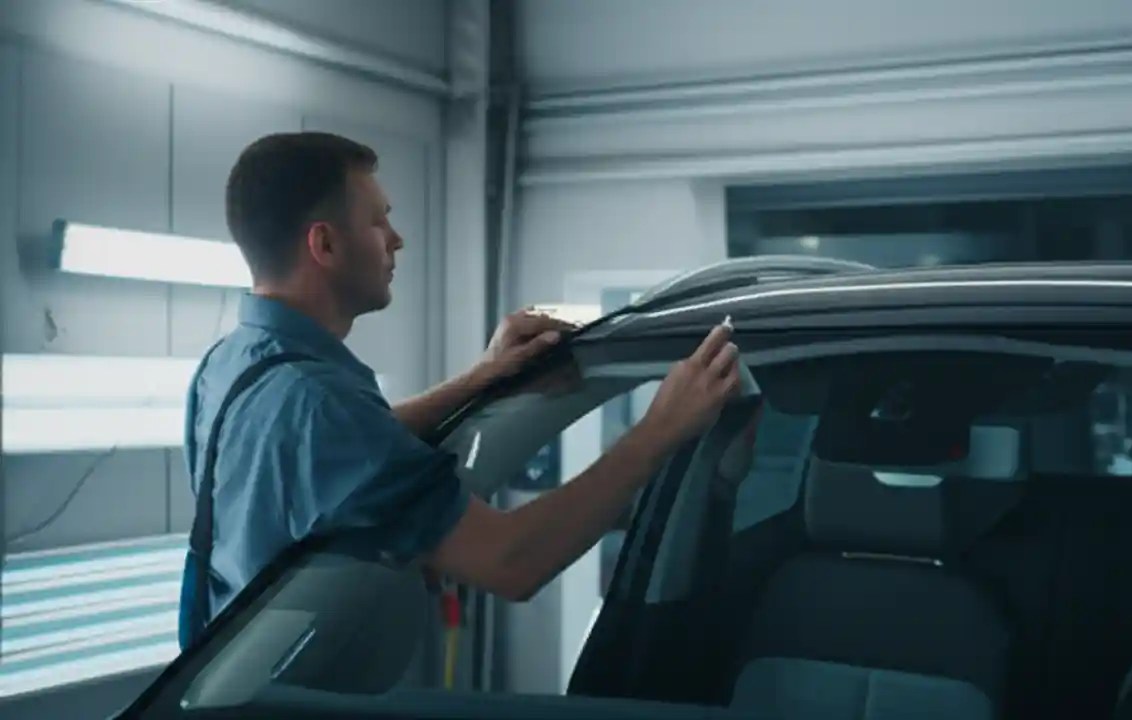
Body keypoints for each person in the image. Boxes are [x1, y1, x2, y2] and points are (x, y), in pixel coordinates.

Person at [179, 132, 741, 641]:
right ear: (324, 245)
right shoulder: (317, 402)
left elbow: (346, 448)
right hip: (291, 699)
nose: (396, 239)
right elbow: (511, 562)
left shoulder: (230, 367)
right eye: (378, 221)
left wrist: (482, 380)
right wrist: (658, 431)